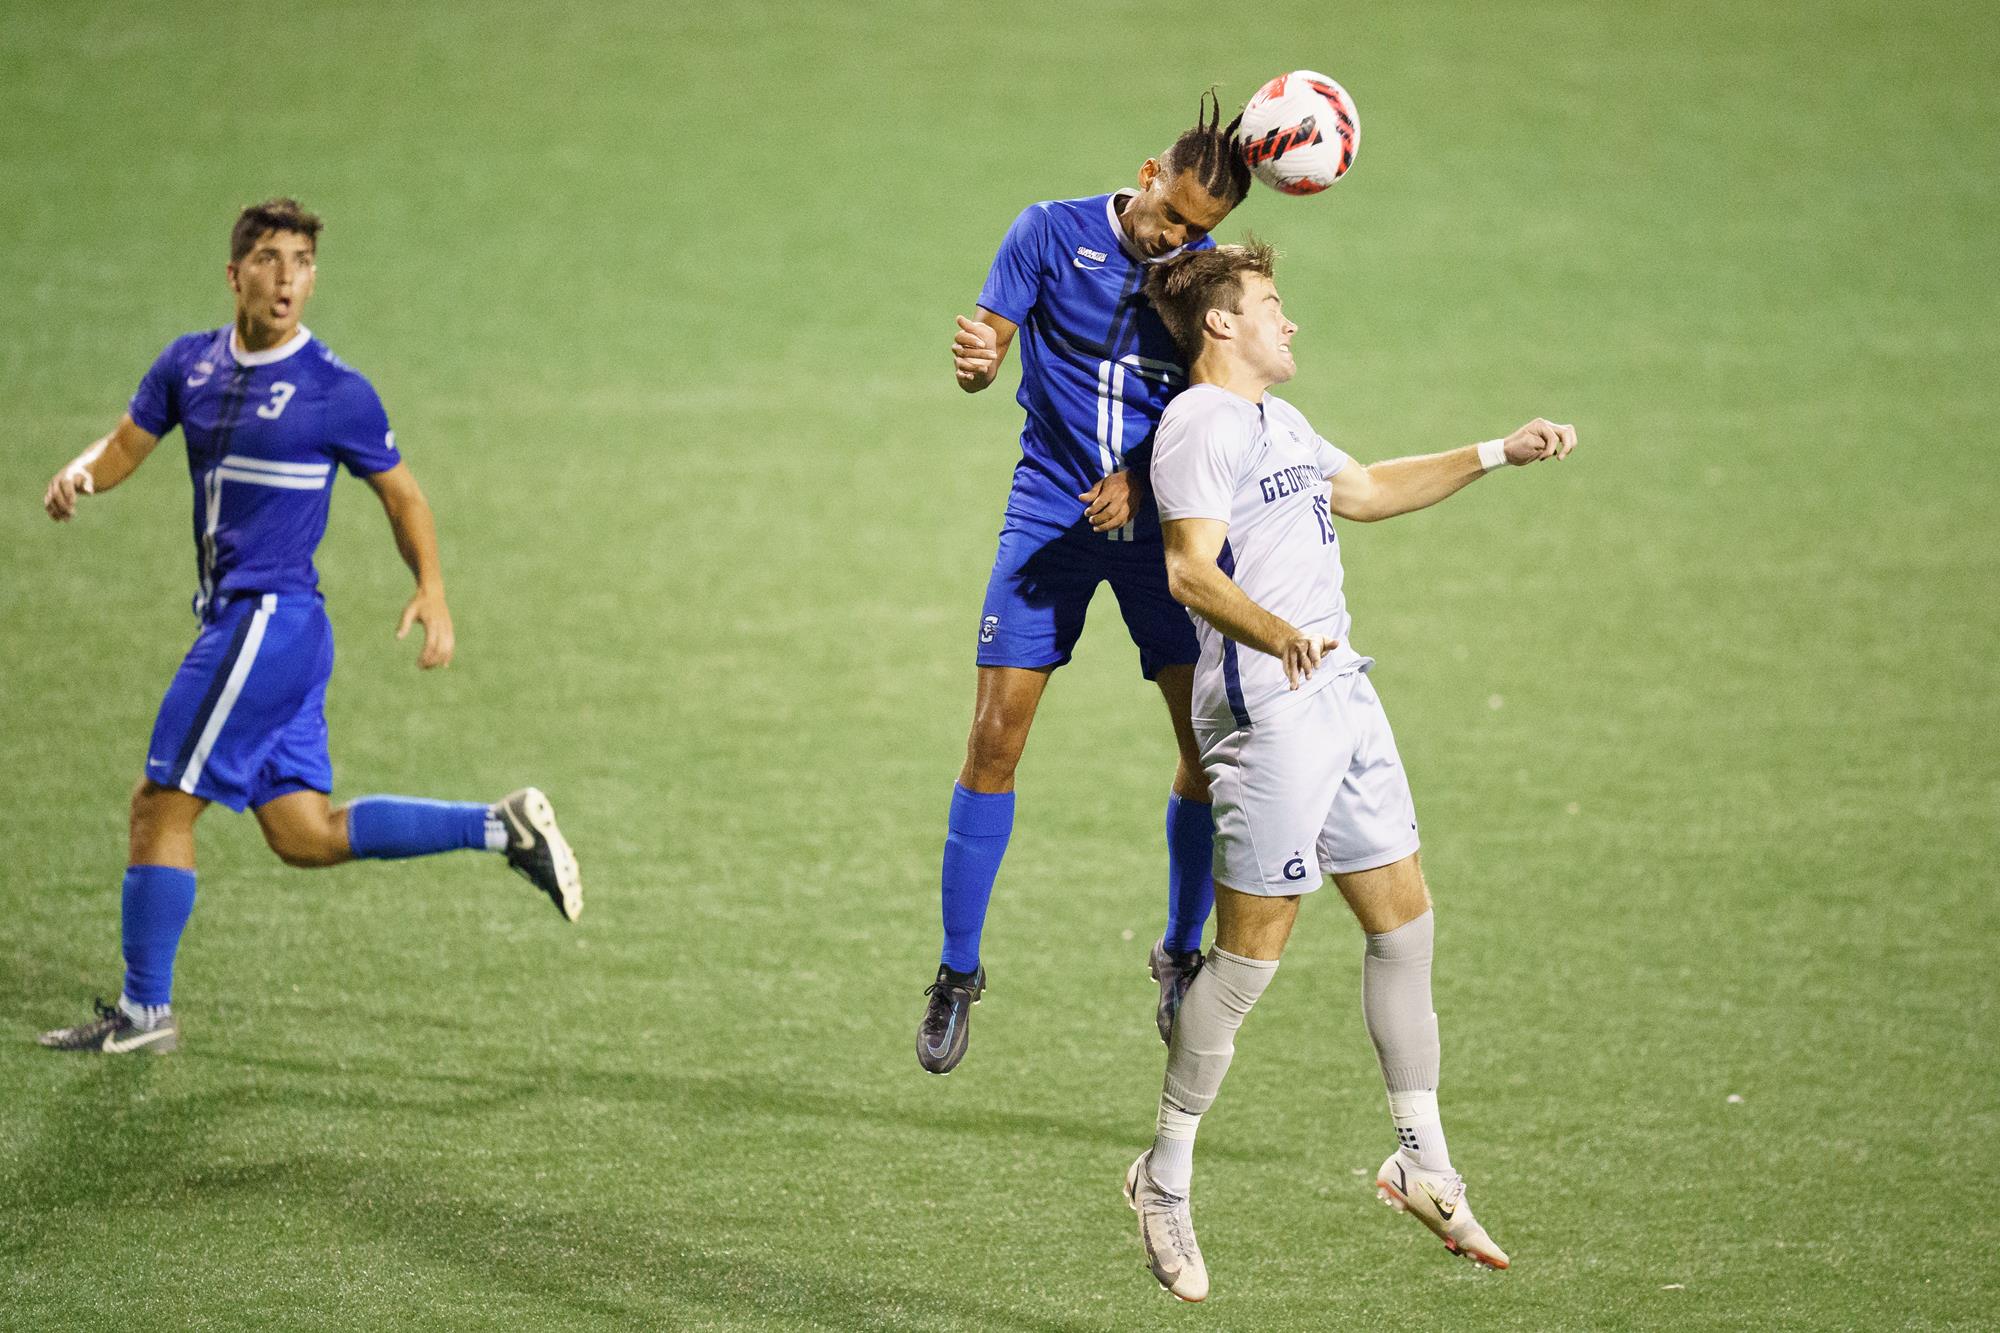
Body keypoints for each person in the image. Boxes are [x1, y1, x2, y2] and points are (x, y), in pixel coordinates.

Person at [1121, 241, 1577, 1299]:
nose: (1291, 323)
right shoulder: (1197, 424)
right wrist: (1277, 630)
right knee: (1245, 966)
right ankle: (1163, 1175)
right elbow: (1188, 567)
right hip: (1270, 711)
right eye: (1273, 306)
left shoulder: (1279, 422)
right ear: (1220, 324)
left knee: (1403, 922)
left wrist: (1494, 451)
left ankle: (1420, 1162)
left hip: (1339, 690)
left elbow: (1363, 489)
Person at [36, 198, 581, 1056]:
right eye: (268, 258)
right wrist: (80, 475)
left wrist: (431, 588)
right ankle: (498, 824)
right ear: (234, 274)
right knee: (303, 833)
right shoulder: (188, 365)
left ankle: (144, 1015)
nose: (287, 276)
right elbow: (126, 445)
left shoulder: (335, 390)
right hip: (273, 632)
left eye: (301, 261)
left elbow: (403, 494)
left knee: (159, 804)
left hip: (269, 624)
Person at [918, 95, 1252, 1074]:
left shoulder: (1203, 281)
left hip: (1166, 533)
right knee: (991, 739)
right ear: (1149, 174)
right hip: (1048, 518)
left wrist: (1140, 490)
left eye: (1202, 230)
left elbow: (1223, 416)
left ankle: (1179, 951)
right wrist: (979, 363)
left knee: (1205, 752)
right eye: (1175, 216)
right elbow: (986, 345)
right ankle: (955, 971)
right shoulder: (1046, 232)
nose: (1180, 240)